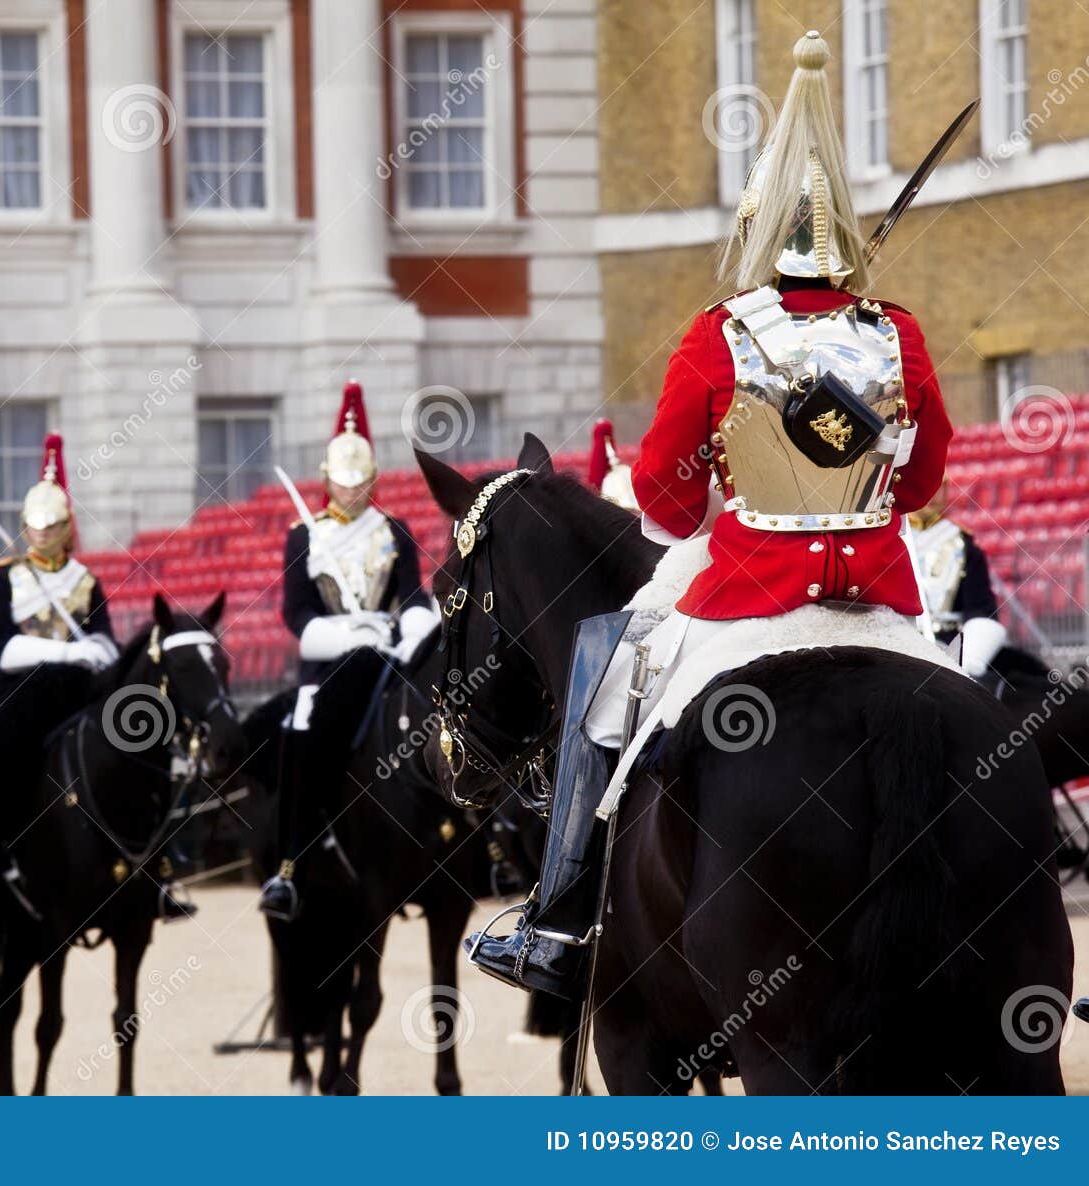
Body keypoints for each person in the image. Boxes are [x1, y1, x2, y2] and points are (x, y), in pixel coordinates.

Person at [466, 31, 954, 996]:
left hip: (746, 584)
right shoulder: (894, 333)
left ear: (761, 231)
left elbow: (661, 494)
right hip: (880, 588)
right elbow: (928, 475)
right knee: (974, 714)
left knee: (606, 661)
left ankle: (560, 915)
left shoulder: (721, 335)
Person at [0, 433, 149, 942]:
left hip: (80, 693)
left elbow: (106, 644)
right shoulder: (4, 578)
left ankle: (154, 872)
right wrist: (65, 651)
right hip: (24, 695)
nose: (41, 536)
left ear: (67, 529)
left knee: (142, 747)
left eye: (52, 527)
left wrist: (96, 650)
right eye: (34, 528)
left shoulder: (85, 580)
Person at [258, 381, 436, 921]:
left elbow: (414, 596)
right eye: (343, 482)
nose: (352, 492)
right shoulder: (303, 537)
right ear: (327, 479)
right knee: (301, 735)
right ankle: (291, 863)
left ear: (373, 481)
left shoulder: (394, 531)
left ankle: (479, 846)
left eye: (361, 484)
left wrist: (411, 631)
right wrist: (349, 634)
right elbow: (296, 614)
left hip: (384, 658)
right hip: (330, 664)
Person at [906, 482, 1007, 677]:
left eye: (940, 486)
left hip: (948, 644)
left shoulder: (964, 545)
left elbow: (980, 610)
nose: (933, 495)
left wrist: (967, 661)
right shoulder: (892, 538)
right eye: (928, 484)